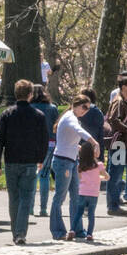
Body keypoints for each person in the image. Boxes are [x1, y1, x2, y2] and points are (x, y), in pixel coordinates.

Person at [0, 78, 48, 245]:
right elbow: (43, 140)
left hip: (11, 160)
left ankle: (15, 231)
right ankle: (20, 232)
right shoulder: (38, 116)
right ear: (30, 95)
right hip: (30, 161)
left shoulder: (7, 114)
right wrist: (41, 158)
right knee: (26, 197)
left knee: (13, 197)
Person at [50, 95, 97, 242]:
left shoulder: (72, 118)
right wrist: (94, 142)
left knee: (76, 197)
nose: (86, 111)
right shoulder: (70, 117)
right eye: (84, 107)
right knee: (60, 197)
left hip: (70, 161)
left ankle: (77, 229)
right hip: (63, 162)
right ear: (76, 105)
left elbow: (68, 140)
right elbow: (79, 131)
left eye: (88, 109)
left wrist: (79, 148)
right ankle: (58, 231)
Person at [104, 74, 127, 216]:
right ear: (123, 87)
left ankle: (114, 203)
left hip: (122, 144)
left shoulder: (125, 102)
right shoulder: (119, 102)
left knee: (116, 174)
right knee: (115, 175)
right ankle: (113, 206)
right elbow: (113, 120)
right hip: (119, 145)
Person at [32, 84, 59, 217]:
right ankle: (43, 208)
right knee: (45, 176)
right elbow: (56, 127)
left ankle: (29, 207)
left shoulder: (30, 108)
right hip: (50, 144)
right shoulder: (53, 108)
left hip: (34, 144)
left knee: (33, 176)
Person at [73, 139, 103, 243]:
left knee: (78, 213)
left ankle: (72, 230)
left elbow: (80, 178)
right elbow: (107, 177)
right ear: (93, 153)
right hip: (93, 193)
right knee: (91, 214)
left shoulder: (79, 166)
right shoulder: (98, 165)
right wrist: (100, 178)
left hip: (82, 192)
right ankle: (90, 234)